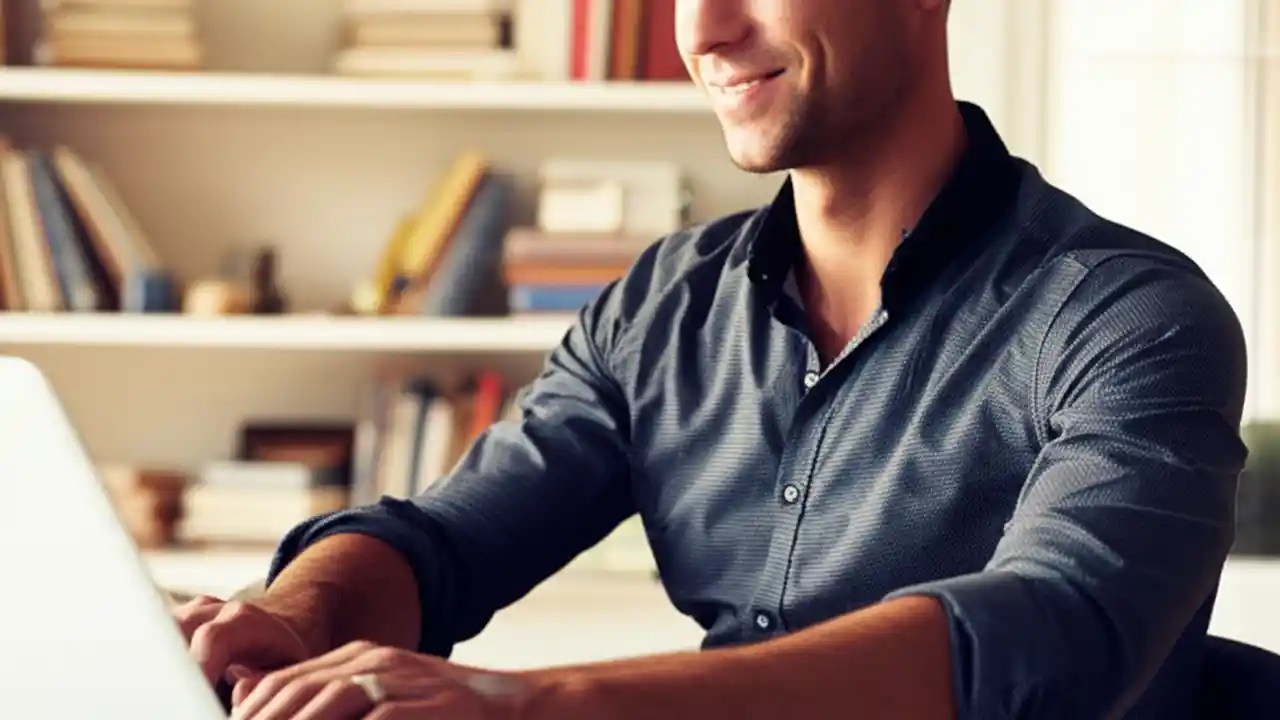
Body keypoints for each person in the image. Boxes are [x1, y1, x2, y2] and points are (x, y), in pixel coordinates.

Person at [176, 1, 1248, 718]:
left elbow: (1053, 628)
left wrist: (537, 702)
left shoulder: (1127, 315)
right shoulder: (660, 306)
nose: (705, 30)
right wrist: (295, 616)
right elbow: (448, 542)